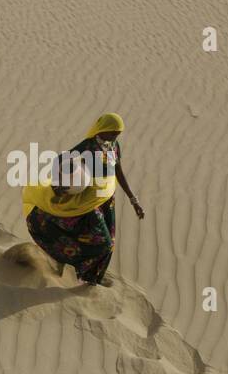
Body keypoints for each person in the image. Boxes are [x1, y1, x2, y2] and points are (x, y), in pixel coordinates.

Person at [22, 112, 144, 287]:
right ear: (101, 130)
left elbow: (118, 171)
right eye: (112, 132)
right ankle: (67, 265)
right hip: (86, 202)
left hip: (106, 202)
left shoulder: (113, 146)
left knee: (109, 243)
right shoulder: (87, 147)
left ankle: (92, 280)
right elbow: (61, 160)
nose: (115, 136)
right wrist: (59, 185)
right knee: (104, 244)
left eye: (118, 133)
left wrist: (134, 200)